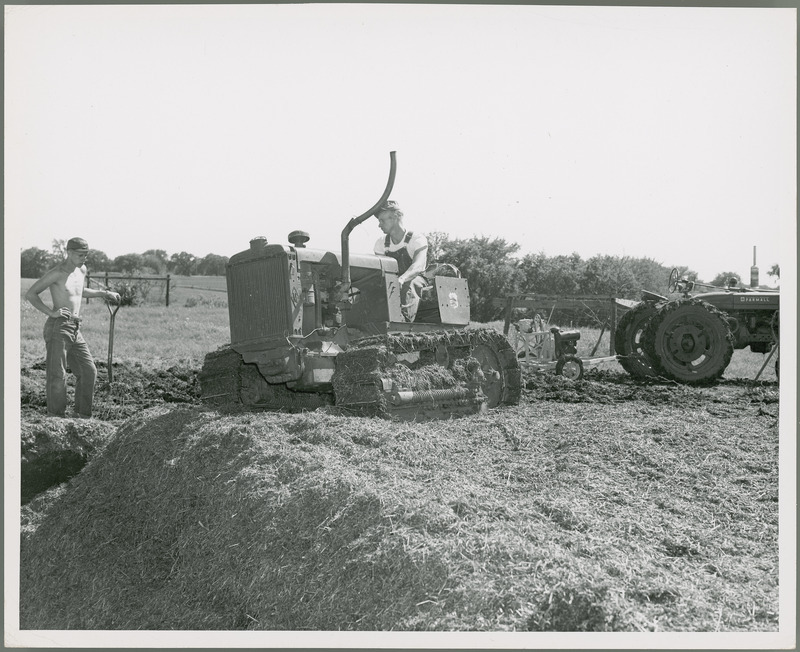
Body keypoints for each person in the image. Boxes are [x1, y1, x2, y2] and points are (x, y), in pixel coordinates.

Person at [25, 237, 120, 418]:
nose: (84, 258)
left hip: (76, 327)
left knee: (88, 370)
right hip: (58, 327)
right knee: (57, 374)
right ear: (68, 252)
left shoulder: (81, 270)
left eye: (86, 254)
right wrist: (51, 312)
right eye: (80, 254)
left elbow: (78, 291)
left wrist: (104, 293)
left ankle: (82, 417)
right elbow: (31, 294)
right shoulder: (57, 273)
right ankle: (56, 417)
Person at [373, 200, 429, 321]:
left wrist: (402, 279)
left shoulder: (417, 239)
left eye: (382, 220)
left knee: (409, 286)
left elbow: (417, 266)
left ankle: (404, 323)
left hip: (415, 279)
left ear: (396, 216)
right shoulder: (381, 243)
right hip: (392, 281)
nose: (379, 225)